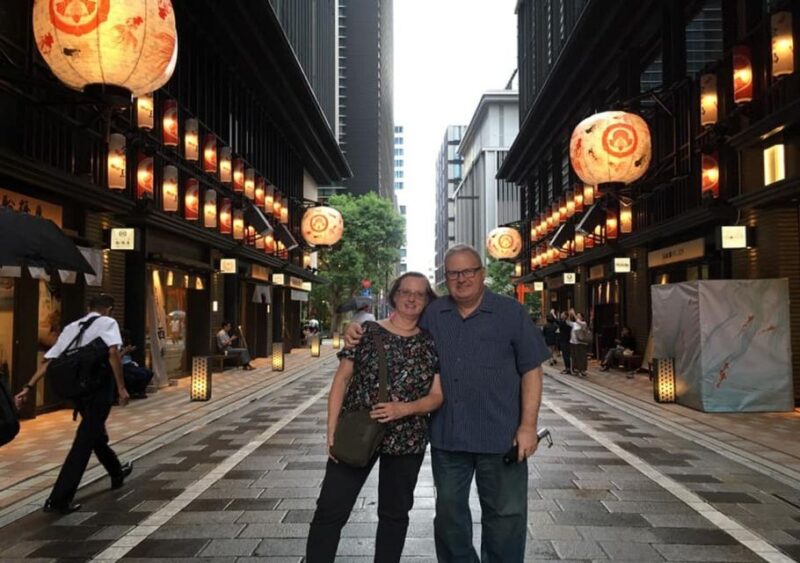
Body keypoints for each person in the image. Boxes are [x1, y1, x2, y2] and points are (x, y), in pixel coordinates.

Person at [346, 244, 549, 562]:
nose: (461, 278)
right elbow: (399, 325)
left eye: (468, 271)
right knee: (450, 517)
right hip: (448, 437)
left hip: (502, 436)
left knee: (506, 517)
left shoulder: (511, 312)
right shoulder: (433, 314)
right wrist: (357, 329)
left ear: (481, 274)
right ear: (446, 278)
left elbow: (532, 371)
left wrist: (528, 426)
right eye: (453, 273)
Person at [307, 272, 443, 562]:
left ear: (427, 301)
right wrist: (332, 429)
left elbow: (437, 396)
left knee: (394, 515)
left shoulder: (432, 342)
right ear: (394, 295)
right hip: (357, 433)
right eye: (406, 292)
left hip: (408, 438)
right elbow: (341, 381)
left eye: (419, 294)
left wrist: (404, 409)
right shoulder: (366, 332)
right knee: (330, 510)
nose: (411, 298)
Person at [14, 294, 132, 514]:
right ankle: (60, 498)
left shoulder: (71, 327)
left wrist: (28, 387)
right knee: (84, 440)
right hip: (98, 391)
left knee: (94, 433)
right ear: (109, 309)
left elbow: (50, 361)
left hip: (78, 392)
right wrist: (121, 387)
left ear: (88, 308)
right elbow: (113, 352)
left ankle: (116, 471)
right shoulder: (108, 322)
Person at [120, 329, 153, 399]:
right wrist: (125, 351)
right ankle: (136, 391)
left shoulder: (125, 344)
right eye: (123, 338)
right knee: (141, 374)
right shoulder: (116, 346)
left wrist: (130, 350)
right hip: (123, 366)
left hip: (130, 364)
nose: (124, 340)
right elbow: (116, 357)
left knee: (149, 372)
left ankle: (140, 391)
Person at [567, 310, 589, 377]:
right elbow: (567, 322)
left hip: (580, 343)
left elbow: (578, 322)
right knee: (575, 357)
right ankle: (576, 369)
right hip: (573, 343)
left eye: (579, 316)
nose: (577, 317)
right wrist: (570, 315)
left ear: (582, 318)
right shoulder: (574, 324)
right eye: (577, 315)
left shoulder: (584, 323)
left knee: (581, 357)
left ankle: (582, 370)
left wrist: (574, 314)